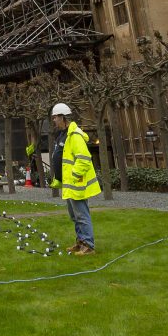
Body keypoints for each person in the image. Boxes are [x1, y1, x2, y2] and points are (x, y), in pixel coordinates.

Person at [50, 102, 99, 255]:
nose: (53, 120)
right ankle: (81, 242)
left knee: (81, 215)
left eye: (55, 117)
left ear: (62, 117)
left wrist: (74, 176)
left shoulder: (75, 135)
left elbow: (84, 159)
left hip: (75, 183)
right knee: (75, 216)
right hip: (68, 183)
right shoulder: (63, 135)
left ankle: (88, 245)